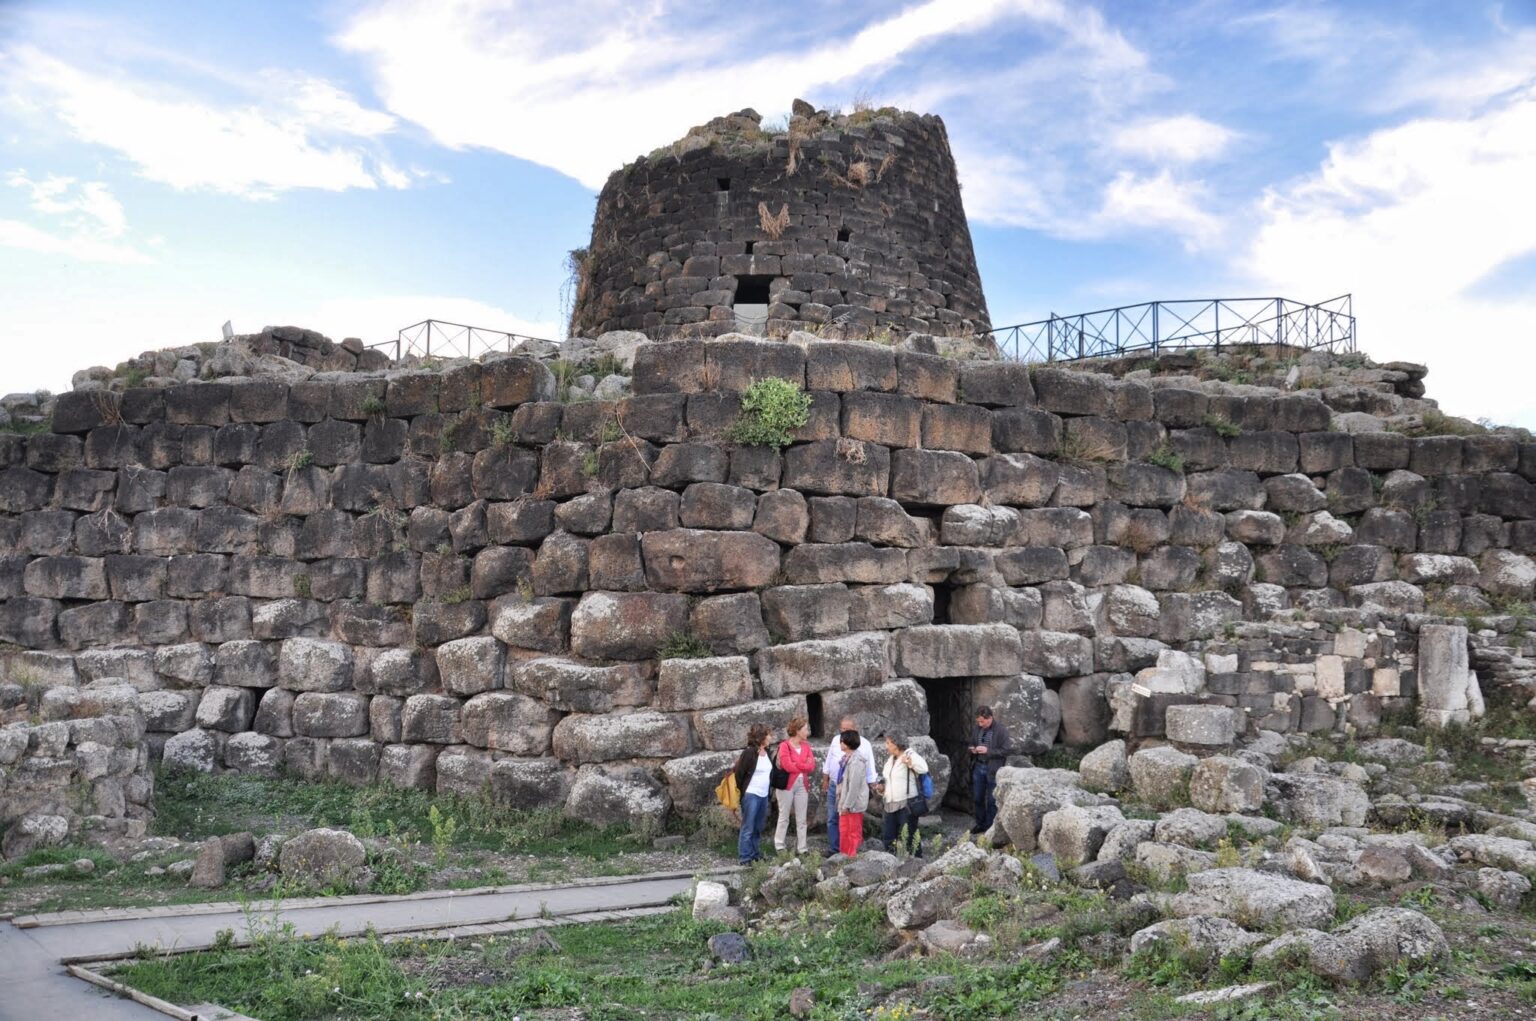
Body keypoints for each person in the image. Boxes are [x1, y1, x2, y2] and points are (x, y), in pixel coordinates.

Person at [823, 714, 879, 856]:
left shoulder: (862, 748)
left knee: (852, 825)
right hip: (836, 785)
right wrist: (826, 780)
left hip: (850, 791)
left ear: (855, 729)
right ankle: (837, 850)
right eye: (842, 728)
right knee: (834, 820)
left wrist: (873, 786)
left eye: (847, 729)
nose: (844, 732)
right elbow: (829, 761)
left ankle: (851, 853)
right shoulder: (837, 741)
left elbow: (862, 776)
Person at [876, 733, 929, 855]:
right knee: (889, 838)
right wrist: (881, 788)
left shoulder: (909, 754)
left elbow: (923, 768)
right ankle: (891, 864)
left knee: (910, 837)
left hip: (906, 804)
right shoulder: (890, 760)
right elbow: (888, 781)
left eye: (888, 743)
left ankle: (916, 864)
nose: (886, 746)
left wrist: (910, 762)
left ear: (896, 744)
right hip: (890, 804)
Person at [773, 716, 816, 854]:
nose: (808, 731)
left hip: (802, 785)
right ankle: (779, 845)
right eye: (805, 729)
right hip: (787, 785)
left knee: (802, 818)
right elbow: (787, 766)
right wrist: (802, 765)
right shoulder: (784, 746)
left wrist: (797, 764)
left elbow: (812, 766)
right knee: (784, 816)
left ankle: (802, 848)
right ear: (797, 731)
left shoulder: (806, 746)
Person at [733, 724, 774, 864]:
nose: (770, 737)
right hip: (751, 794)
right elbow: (739, 774)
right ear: (761, 737)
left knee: (758, 827)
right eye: (768, 734)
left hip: (763, 795)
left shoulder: (767, 751)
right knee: (748, 827)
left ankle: (755, 854)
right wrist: (742, 793)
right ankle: (745, 857)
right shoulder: (749, 752)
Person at [968, 705, 1011, 834]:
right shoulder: (977, 729)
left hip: (993, 769)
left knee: (992, 800)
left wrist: (988, 751)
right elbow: (971, 742)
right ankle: (980, 824)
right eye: (978, 721)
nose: (980, 724)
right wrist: (972, 749)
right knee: (978, 797)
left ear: (990, 718)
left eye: (982, 721)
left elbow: (1006, 750)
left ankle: (990, 827)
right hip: (979, 766)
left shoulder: (1001, 730)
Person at [833, 730, 870, 857]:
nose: (840, 743)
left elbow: (854, 786)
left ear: (847, 743)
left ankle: (852, 858)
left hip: (852, 805)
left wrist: (847, 806)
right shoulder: (847, 759)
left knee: (852, 832)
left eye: (841, 741)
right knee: (844, 831)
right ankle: (844, 857)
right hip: (846, 803)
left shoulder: (856, 761)